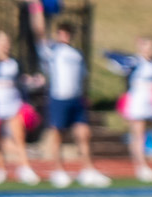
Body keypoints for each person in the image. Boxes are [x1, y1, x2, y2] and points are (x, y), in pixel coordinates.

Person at [32, 14, 107, 188]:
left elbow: (82, 77)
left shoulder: (77, 54)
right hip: (59, 98)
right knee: (57, 134)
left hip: (76, 99)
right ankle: (58, 170)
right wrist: (36, 8)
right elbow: (39, 33)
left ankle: (88, 169)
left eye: (67, 33)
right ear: (58, 34)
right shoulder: (52, 51)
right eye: (62, 33)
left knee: (84, 134)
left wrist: (84, 96)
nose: (64, 36)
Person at [104, 36, 152, 184]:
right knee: (138, 134)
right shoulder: (134, 62)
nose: (148, 50)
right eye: (145, 46)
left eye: (151, 47)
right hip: (138, 101)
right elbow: (114, 59)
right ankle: (141, 166)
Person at [0, 29, 41, 186]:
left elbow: (22, 81)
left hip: (12, 103)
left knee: (19, 136)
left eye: (7, 43)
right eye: (2, 43)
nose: (6, 46)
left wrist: (32, 82)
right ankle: (1, 168)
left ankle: (25, 167)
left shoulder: (14, 63)